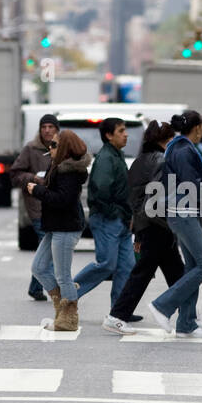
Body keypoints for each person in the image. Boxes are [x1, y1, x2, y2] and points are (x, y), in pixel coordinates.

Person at [103, 120, 185, 334]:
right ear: (165, 140)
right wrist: (171, 222)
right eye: (172, 140)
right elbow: (155, 198)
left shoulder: (142, 159)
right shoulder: (160, 160)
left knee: (176, 274)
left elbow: (137, 197)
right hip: (157, 226)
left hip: (148, 225)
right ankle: (117, 316)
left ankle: (189, 318)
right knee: (144, 274)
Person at [149, 109, 202, 338]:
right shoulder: (184, 150)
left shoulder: (178, 147)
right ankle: (162, 305)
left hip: (181, 211)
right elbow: (193, 187)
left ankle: (187, 322)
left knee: (192, 266)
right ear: (197, 127)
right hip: (182, 212)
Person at [26, 130, 91, 331]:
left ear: (64, 148)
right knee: (38, 267)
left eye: (54, 145)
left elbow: (62, 200)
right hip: (56, 226)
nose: (50, 148)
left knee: (63, 275)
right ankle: (62, 303)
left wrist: (37, 190)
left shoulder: (69, 171)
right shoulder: (59, 167)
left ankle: (69, 317)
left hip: (66, 227)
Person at [72, 117, 135, 312]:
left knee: (127, 266)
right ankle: (68, 294)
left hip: (121, 219)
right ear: (109, 136)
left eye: (125, 130)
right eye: (121, 131)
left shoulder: (116, 155)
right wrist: (115, 213)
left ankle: (119, 310)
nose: (126, 134)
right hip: (108, 219)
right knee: (107, 264)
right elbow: (100, 191)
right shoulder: (107, 158)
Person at [11, 113, 59, 301]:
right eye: (43, 127)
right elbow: (15, 174)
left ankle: (35, 287)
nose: (47, 130)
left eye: (51, 127)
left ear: (57, 129)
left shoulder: (62, 147)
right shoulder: (30, 149)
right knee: (50, 248)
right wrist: (33, 179)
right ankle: (56, 291)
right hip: (37, 207)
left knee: (45, 250)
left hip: (56, 205)